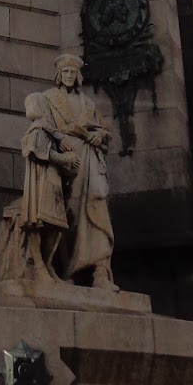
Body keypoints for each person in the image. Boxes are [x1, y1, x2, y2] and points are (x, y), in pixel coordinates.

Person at [19, 55, 116, 288]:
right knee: (67, 212)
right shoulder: (48, 99)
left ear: (78, 76)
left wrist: (99, 135)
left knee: (97, 204)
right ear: (59, 75)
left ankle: (101, 272)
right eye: (66, 72)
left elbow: (104, 130)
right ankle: (65, 269)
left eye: (73, 72)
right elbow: (43, 128)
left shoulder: (89, 104)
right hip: (65, 163)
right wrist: (62, 147)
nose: (70, 76)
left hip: (90, 158)